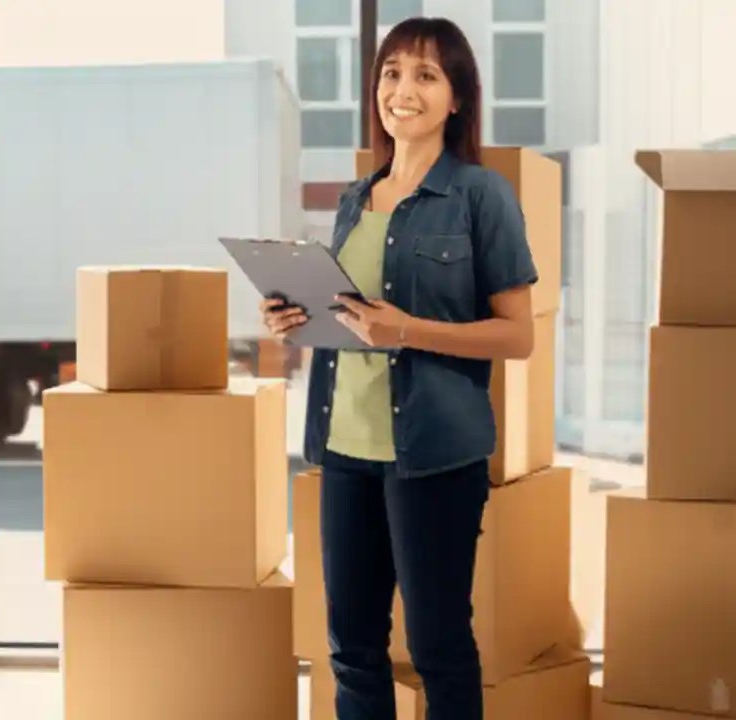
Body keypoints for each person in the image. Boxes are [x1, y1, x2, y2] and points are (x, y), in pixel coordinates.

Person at [261, 16, 537, 720]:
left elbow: (518, 336)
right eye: (390, 72)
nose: (402, 89)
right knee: (351, 645)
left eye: (425, 74)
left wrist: (406, 329)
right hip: (346, 447)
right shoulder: (358, 198)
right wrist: (297, 318)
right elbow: (351, 318)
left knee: (439, 644)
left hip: (435, 455)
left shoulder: (482, 196)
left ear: (457, 98)